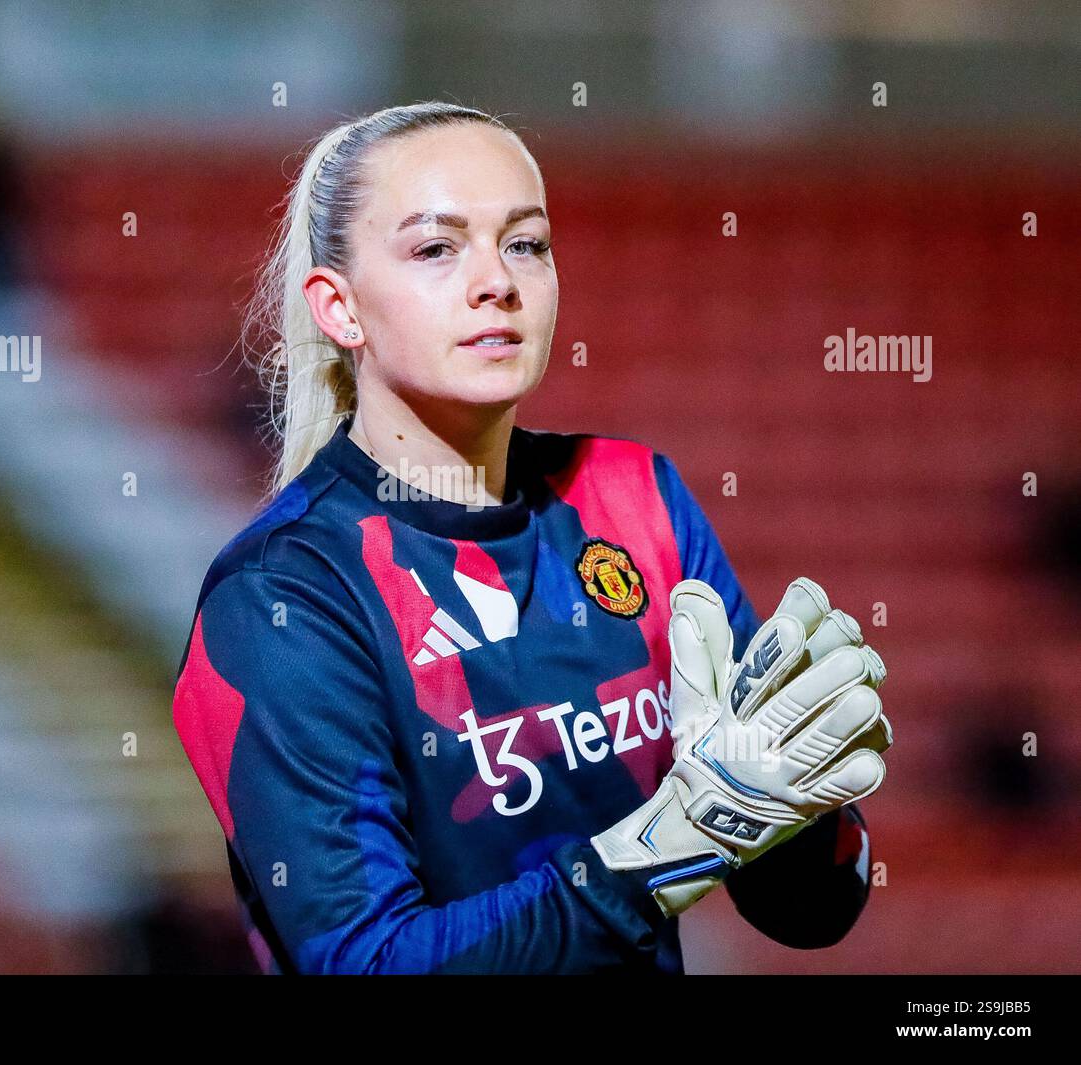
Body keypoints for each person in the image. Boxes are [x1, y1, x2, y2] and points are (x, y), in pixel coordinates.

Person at [172, 101, 893, 974]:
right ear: (341, 308)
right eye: (437, 248)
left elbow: (813, 911)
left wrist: (793, 811)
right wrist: (670, 845)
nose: (497, 282)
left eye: (527, 243)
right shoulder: (281, 597)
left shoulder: (636, 499)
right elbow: (368, 962)